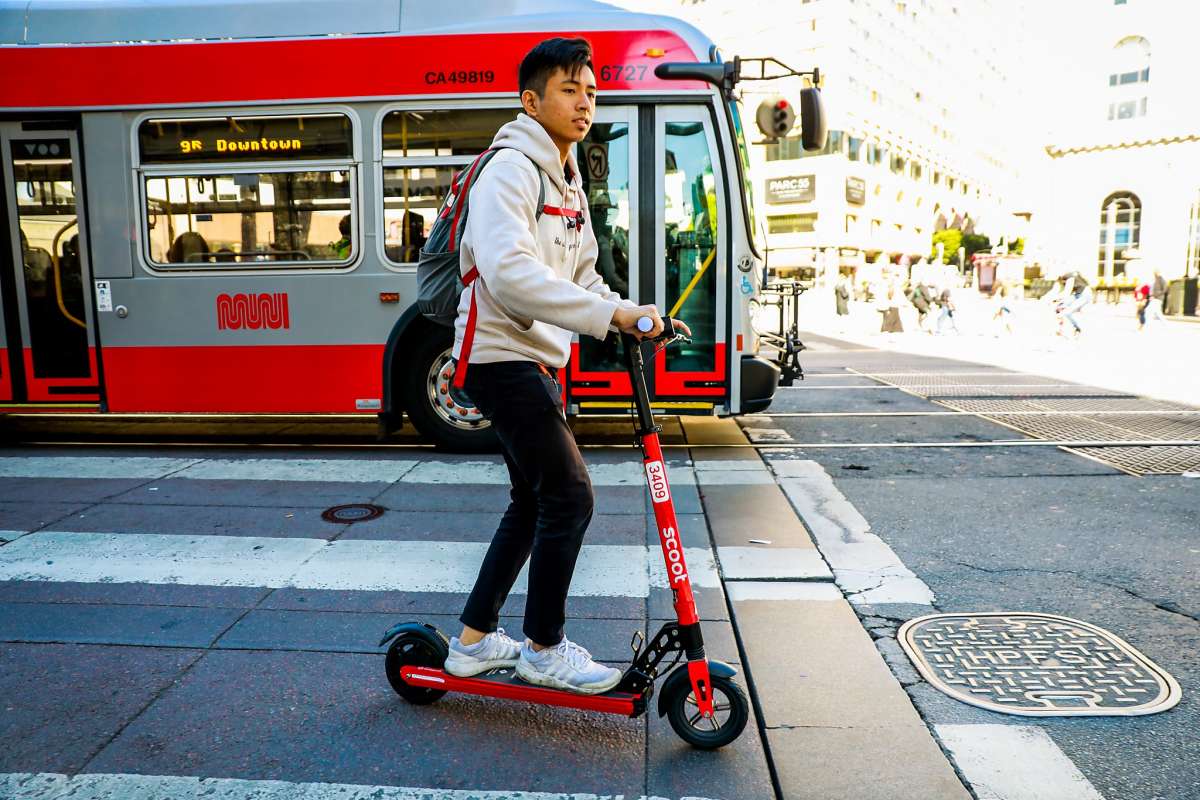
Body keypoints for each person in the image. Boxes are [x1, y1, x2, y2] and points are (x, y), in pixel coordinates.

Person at [442, 38, 692, 695]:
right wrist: (608, 318)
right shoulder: (511, 169)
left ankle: (471, 643)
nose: (585, 101)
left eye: (591, 90)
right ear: (532, 100)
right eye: (568, 89)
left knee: (533, 501)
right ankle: (543, 649)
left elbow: (584, 280)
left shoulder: (568, 182)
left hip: (533, 357)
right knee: (570, 495)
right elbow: (509, 272)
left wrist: (636, 315)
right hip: (497, 353)